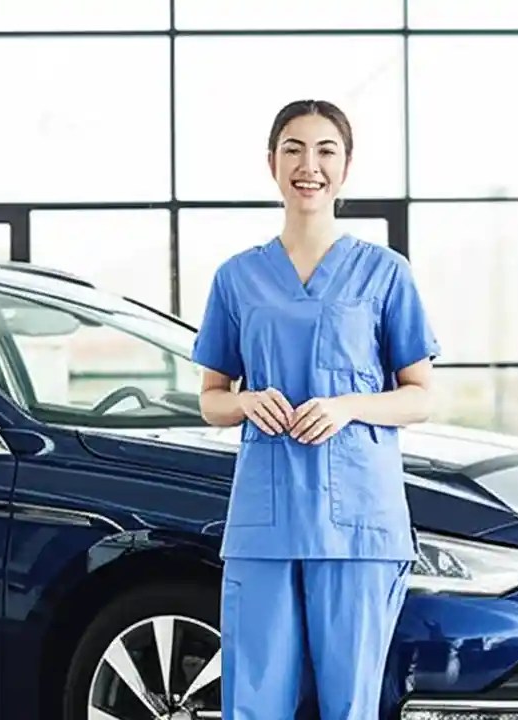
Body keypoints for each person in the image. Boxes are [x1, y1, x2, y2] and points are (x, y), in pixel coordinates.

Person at [191, 99, 441, 719]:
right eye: (294, 150)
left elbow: (421, 396)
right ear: (271, 164)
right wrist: (245, 401)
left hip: (358, 519)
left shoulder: (385, 274)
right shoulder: (237, 278)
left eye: (326, 150)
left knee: (350, 701)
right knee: (254, 699)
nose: (310, 165)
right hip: (265, 516)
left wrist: (350, 406)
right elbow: (211, 400)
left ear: (347, 166)